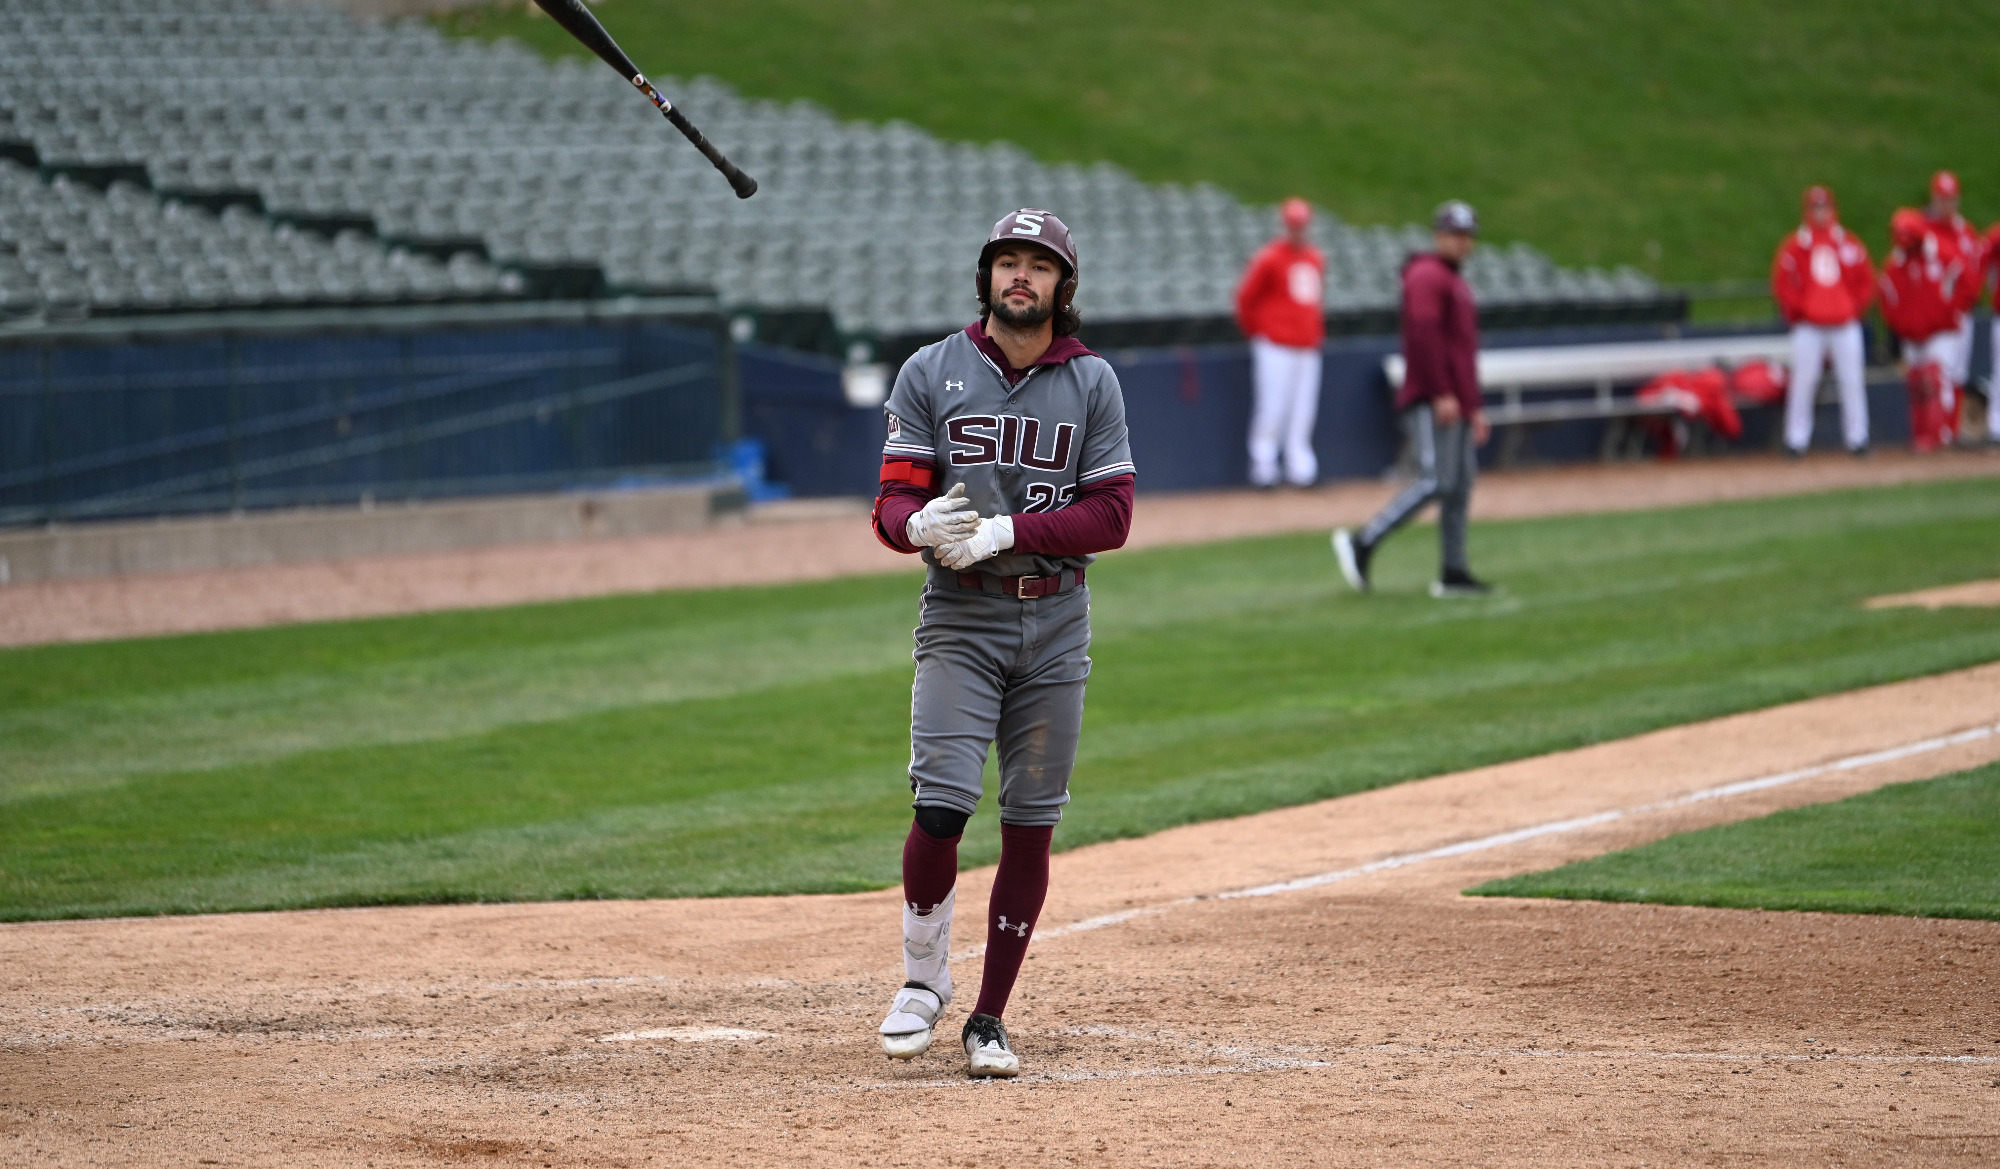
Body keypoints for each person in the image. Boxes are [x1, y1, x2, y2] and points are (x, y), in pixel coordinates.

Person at [867, 208, 1135, 1078]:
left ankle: (989, 1017)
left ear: (1064, 285)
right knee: (941, 805)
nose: (1022, 275)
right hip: (962, 615)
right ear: (985, 276)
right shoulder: (930, 369)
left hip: (1057, 619)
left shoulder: (1092, 381)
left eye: (1039, 264)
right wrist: (917, 526)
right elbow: (892, 501)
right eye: (1007, 261)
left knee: (1030, 822)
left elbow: (1113, 515)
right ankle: (922, 979)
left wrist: (1008, 528)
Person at [1333, 200, 1491, 598]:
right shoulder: (1426, 275)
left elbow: (1462, 351)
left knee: (1459, 486)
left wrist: (1473, 407)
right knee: (1436, 480)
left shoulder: (1454, 281)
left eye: (1467, 235)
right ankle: (1363, 542)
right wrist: (1440, 391)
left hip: (1457, 401)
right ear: (1438, 235)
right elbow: (1423, 336)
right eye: (1454, 234)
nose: (1461, 242)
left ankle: (1454, 571)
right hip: (1432, 397)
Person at [1769, 185, 1875, 455]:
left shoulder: (1848, 243)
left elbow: (1866, 281)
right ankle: (1796, 439)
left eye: (1824, 207)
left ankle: (1858, 438)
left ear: (1832, 209)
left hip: (1844, 323)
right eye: (1815, 207)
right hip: (1809, 325)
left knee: (1851, 380)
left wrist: (1853, 308)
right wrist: (1801, 310)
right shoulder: (1796, 246)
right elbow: (1782, 284)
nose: (1820, 213)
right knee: (1804, 381)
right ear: (1807, 210)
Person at [1235, 197, 1327, 487]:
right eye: (1294, 225)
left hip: (1307, 346)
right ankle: (1264, 467)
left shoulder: (1315, 258)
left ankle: (1301, 468)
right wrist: (1258, 332)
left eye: (1302, 225)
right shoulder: (1269, 258)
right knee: (1272, 405)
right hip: (1275, 344)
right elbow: (1245, 298)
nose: (1298, 231)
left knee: (1303, 409)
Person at [1879, 208, 1969, 451]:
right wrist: (1900, 324)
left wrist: (1950, 311)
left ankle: (1945, 433)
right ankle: (1922, 435)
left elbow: (1965, 281)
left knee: (1937, 378)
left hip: (1942, 330)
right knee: (1917, 383)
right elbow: (1886, 296)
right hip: (1912, 334)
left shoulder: (1941, 254)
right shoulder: (1896, 263)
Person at [1924, 170, 1982, 411]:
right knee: (1935, 374)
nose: (1946, 204)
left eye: (1951, 199)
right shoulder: (1923, 231)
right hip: (1933, 316)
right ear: (1933, 198)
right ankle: (1935, 427)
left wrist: (1962, 303)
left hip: (1960, 313)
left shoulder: (1965, 232)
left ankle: (1951, 427)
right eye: (1942, 199)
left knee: (1958, 373)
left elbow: (1974, 273)